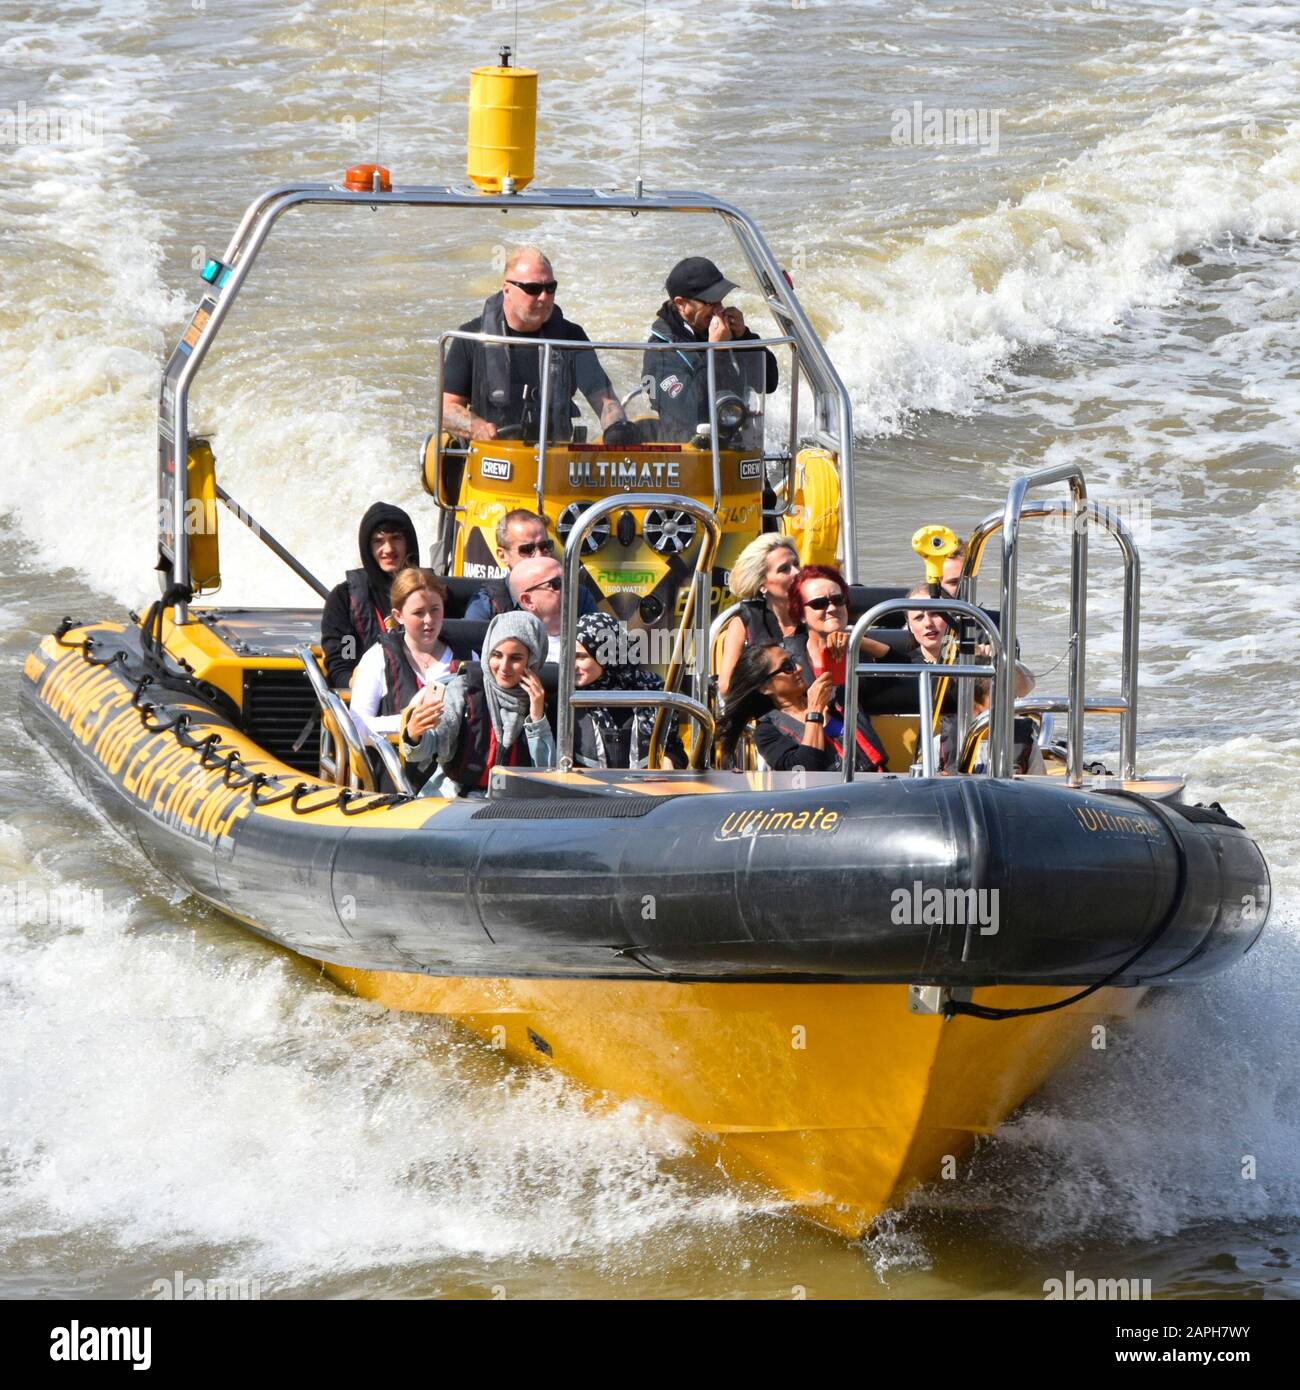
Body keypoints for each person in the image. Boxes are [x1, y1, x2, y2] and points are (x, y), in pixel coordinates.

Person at [441, 246, 633, 445]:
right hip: (490, 458)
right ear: (507, 290)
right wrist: (478, 427)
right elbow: (446, 409)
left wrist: (617, 426)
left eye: (550, 288)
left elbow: (605, 401)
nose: (544, 297)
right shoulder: (471, 337)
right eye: (533, 289)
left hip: (554, 460)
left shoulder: (570, 337)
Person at [404, 611, 556, 798]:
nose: (504, 666)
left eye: (516, 658)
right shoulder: (463, 690)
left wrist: (537, 719)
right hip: (456, 798)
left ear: (532, 660)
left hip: (515, 804)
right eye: (497, 655)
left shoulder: (544, 700)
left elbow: (547, 772)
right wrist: (414, 736)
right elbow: (434, 745)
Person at [643, 256, 780, 443]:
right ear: (681, 303)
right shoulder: (659, 352)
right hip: (688, 457)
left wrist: (744, 337)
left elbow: (769, 383)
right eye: (710, 302)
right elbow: (694, 412)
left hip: (735, 448)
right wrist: (715, 351)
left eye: (720, 300)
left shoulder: (725, 333)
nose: (719, 309)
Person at [717, 642, 886, 773]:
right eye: (787, 667)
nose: (799, 668)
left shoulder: (837, 697)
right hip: (832, 804)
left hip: (881, 784)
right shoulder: (767, 732)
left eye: (793, 661)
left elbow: (896, 670)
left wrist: (856, 641)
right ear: (765, 688)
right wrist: (815, 711)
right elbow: (804, 770)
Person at [349, 568, 455, 748]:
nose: (428, 619)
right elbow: (356, 727)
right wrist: (408, 722)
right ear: (398, 616)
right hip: (396, 769)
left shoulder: (467, 656)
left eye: (435, 610)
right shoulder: (377, 659)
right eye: (419, 613)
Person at [320, 502, 418, 688]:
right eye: (378, 541)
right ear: (367, 547)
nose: (388, 549)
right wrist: (355, 683)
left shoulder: (434, 593)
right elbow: (343, 662)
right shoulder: (344, 599)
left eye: (396, 538)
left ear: (409, 543)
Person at [572, 612, 686, 769]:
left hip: (647, 791)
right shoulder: (568, 701)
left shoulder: (654, 694)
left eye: (581, 657)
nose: (573, 665)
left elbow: (674, 748)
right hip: (588, 792)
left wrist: (668, 759)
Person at [463, 508, 597, 622]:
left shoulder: (578, 596)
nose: (539, 555)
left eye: (545, 546)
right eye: (527, 550)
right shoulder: (487, 603)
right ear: (502, 555)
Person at [717, 534, 802, 698]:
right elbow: (726, 687)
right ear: (762, 584)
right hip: (767, 713)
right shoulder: (745, 622)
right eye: (784, 569)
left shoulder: (819, 609)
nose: (797, 573)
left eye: (797, 564)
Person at [786, 564, 893, 687]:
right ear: (800, 614)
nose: (832, 608)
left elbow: (902, 667)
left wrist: (855, 641)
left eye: (838, 600)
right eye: (819, 603)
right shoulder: (788, 661)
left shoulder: (861, 651)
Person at [509, 555, 565, 663]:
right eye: (556, 583)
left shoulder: (592, 633)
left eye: (568, 580)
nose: (569, 587)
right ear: (528, 600)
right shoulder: (513, 645)